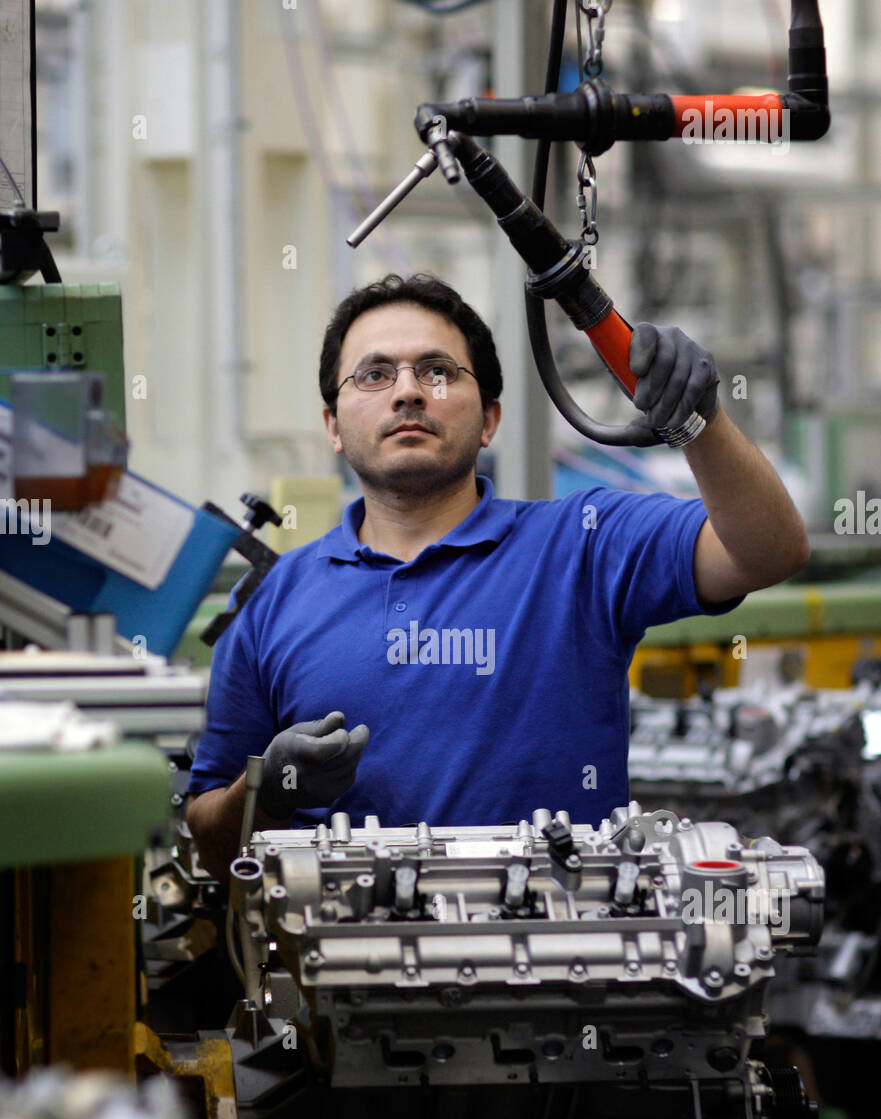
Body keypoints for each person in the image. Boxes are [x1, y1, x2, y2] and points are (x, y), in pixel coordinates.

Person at [186, 273, 809, 881]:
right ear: (333, 428)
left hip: (564, 968)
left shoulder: (583, 544)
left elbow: (768, 552)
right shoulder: (275, 601)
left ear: (489, 420)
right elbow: (210, 844)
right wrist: (269, 789)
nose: (408, 392)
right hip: (348, 973)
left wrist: (699, 425)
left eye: (437, 371)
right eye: (375, 374)